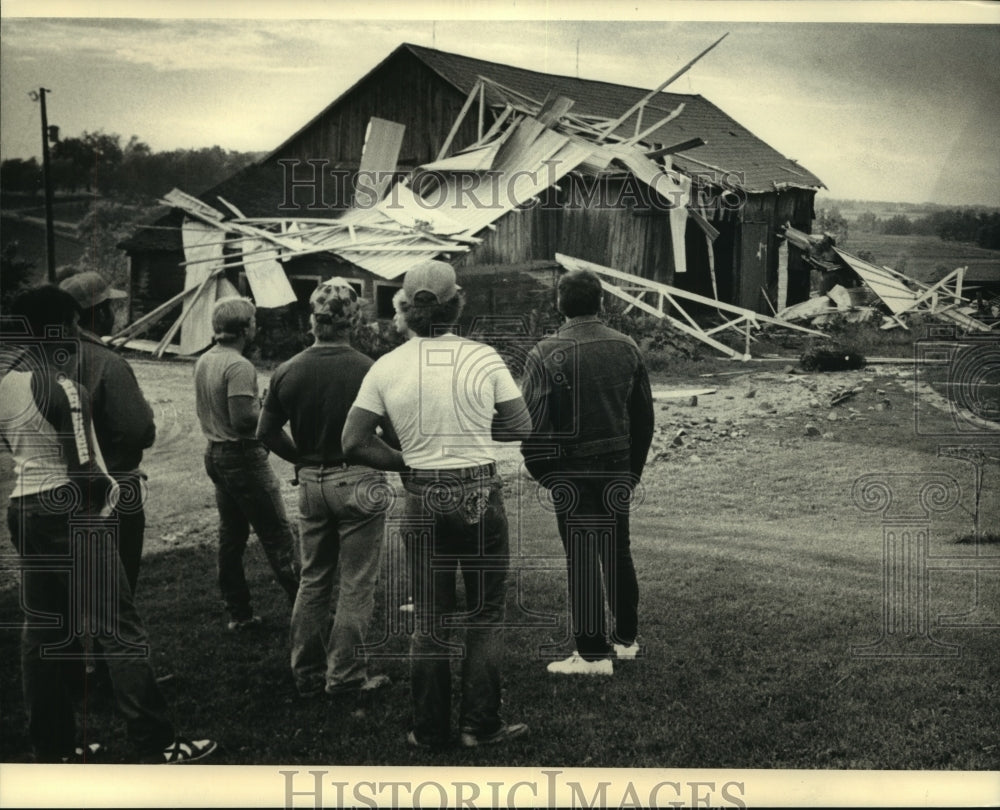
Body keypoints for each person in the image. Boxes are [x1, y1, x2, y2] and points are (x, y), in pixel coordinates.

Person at [0, 285, 216, 764]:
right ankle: (156, 742)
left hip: (23, 506)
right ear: (63, 327)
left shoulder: (7, 383)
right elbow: (84, 471)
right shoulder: (62, 387)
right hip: (70, 510)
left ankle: (51, 746)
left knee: (41, 629)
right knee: (119, 627)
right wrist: (108, 498)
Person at [342, 260, 532, 749]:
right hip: (478, 491)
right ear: (457, 305)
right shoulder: (483, 357)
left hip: (423, 493)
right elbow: (520, 427)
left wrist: (404, 460)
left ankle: (429, 730)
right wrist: (470, 433)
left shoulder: (386, 365)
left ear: (404, 307)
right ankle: (480, 725)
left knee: (431, 619)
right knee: (485, 615)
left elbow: (354, 441)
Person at [257, 279, 391, 698]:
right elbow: (392, 435)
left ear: (312, 320)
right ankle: (346, 675)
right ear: (354, 320)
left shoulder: (287, 369)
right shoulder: (369, 369)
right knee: (356, 582)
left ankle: (308, 673)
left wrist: (301, 458)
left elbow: (267, 432)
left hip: (312, 481)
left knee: (313, 580)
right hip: (359, 478)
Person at [520, 268, 655, 675]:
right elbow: (644, 418)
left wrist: (545, 473)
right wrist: (632, 471)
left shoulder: (544, 352)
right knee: (618, 551)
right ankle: (626, 640)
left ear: (559, 304)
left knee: (582, 557)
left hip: (571, 470)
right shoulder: (627, 346)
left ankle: (593, 654)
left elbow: (531, 425)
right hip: (616, 465)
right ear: (602, 302)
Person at [193, 296, 299, 630]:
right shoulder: (239, 366)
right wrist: (269, 410)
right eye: (253, 320)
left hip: (216, 453)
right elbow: (243, 421)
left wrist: (256, 405)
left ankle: (239, 612)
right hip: (241, 457)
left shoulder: (207, 359)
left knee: (232, 536)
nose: (256, 325)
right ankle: (307, 612)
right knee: (278, 535)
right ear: (244, 327)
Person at [59, 270, 156, 595]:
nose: (113, 314)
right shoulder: (107, 363)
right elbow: (138, 431)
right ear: (98, 313)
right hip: (112, 490)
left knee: (74, 593)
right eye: (110, 307)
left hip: (57, 490)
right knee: (115, 594)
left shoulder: (44, 360)